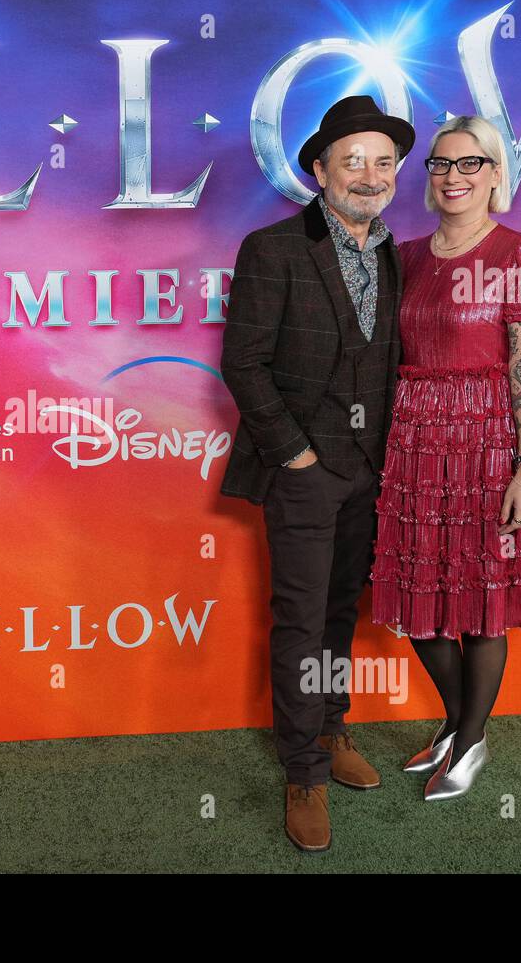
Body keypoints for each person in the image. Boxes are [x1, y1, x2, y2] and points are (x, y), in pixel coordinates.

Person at [220, 95, 414, 851]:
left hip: (371, 468)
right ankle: (301, 769)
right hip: (304, 469)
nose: (370, 175)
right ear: (318, 170)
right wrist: (296, 453)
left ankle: (331, 730)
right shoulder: (273, 248)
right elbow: (243, 363)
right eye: (353, 160)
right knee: (301, 623)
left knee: (338, 613)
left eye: (383, 162)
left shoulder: (397, 252)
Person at [368, 114, 521, 801]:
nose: (453, 176)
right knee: (417, 594)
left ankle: (472, 740)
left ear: (495, 173)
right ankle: (457, 723)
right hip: (414, 440)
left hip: (487, 446)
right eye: (441, 164)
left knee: (483, 601)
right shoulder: (407, 255)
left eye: (469, 163)